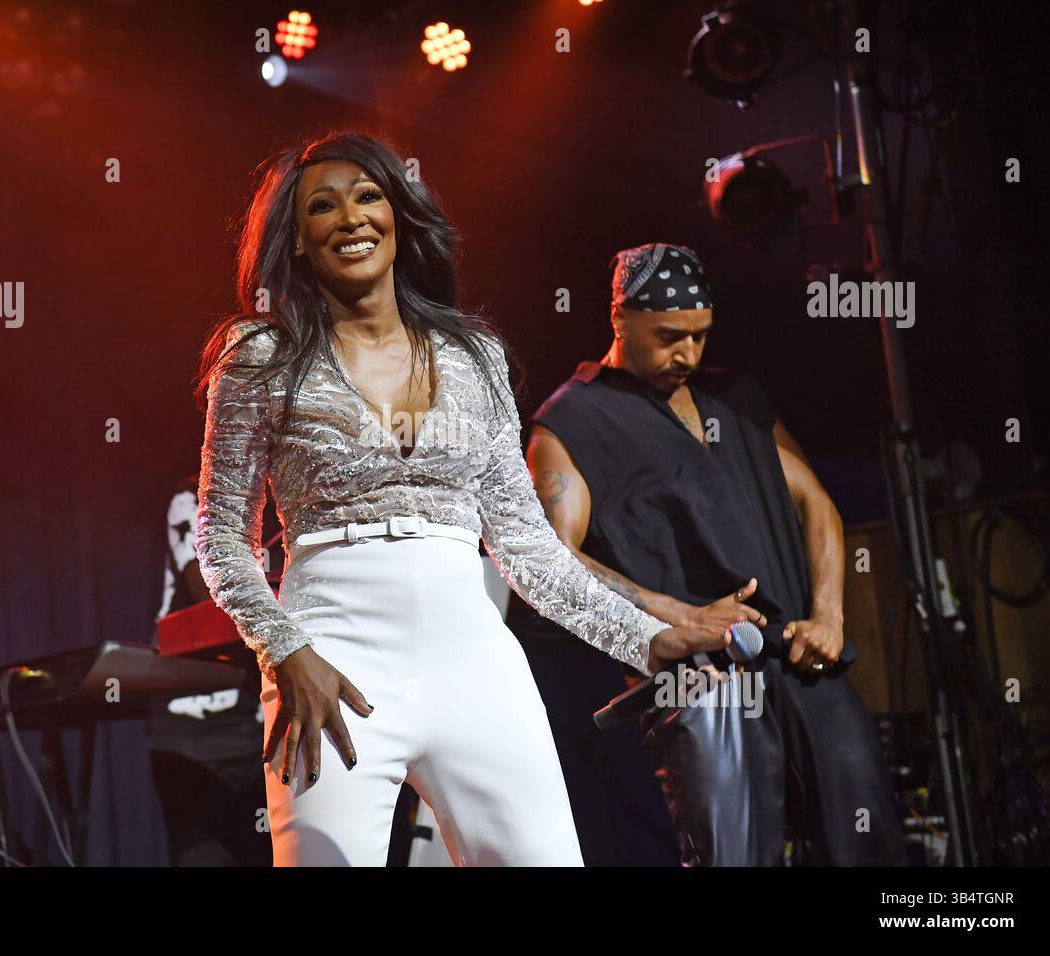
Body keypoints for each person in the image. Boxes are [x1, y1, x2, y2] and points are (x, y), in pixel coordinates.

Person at [191, 133, 724, 866]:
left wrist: (645, 638)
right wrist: (286, 651)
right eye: (323, 206)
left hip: (476, 664)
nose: (351, 217)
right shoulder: (261, 356)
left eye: (369, 196)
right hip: (332, 663)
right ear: (300, 242)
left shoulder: (473, 357)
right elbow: (221, 537)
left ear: (400, 218)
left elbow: (528, 548)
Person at [523, 242, 906, 865]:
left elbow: (818, 504)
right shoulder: (569, 423)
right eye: (670, 336)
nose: (689, 354)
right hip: (698, 682)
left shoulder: (738, 398)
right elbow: (552, 564)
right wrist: (681, 615)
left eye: (701, 336)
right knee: (735, 856)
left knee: (867, 844)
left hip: (802, 658)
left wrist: (830, 614)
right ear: (618, 319)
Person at [144, 474, 272, 866]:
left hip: (254, 729)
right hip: (192, 732)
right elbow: (209, 594)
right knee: (204, 853)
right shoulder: (192, 497)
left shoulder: (287, 506)